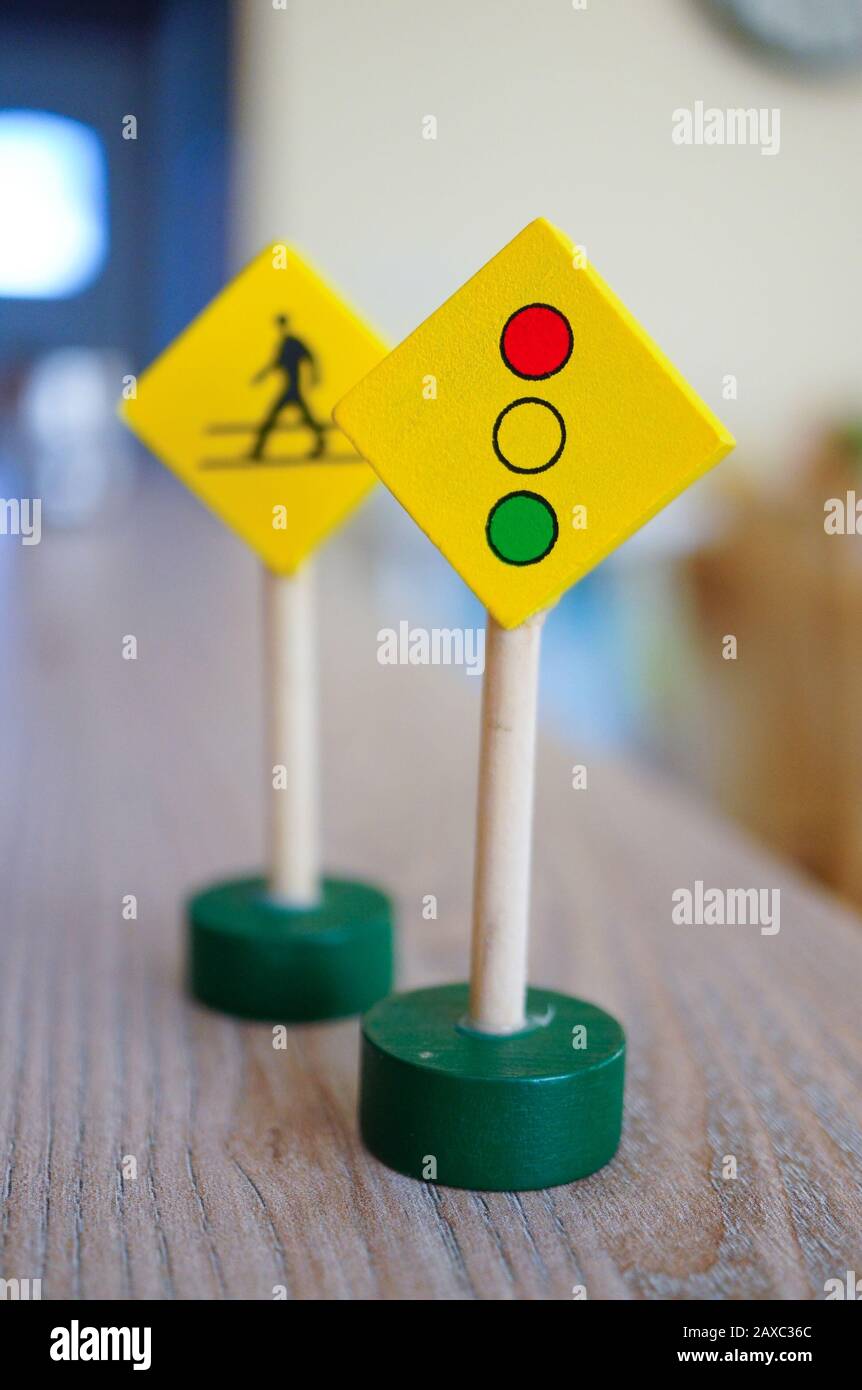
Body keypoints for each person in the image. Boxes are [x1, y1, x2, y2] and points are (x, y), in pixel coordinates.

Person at [249, 315, 325, 460]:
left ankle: (257, 450)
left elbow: (310, 357)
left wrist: (315, 376)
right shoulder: (283, 344)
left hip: (292, 388)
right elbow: (275, 364)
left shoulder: (292, 342)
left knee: (273, 418)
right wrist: (261, 376)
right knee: (304, 418)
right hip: (290, 388)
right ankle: (257, 450)